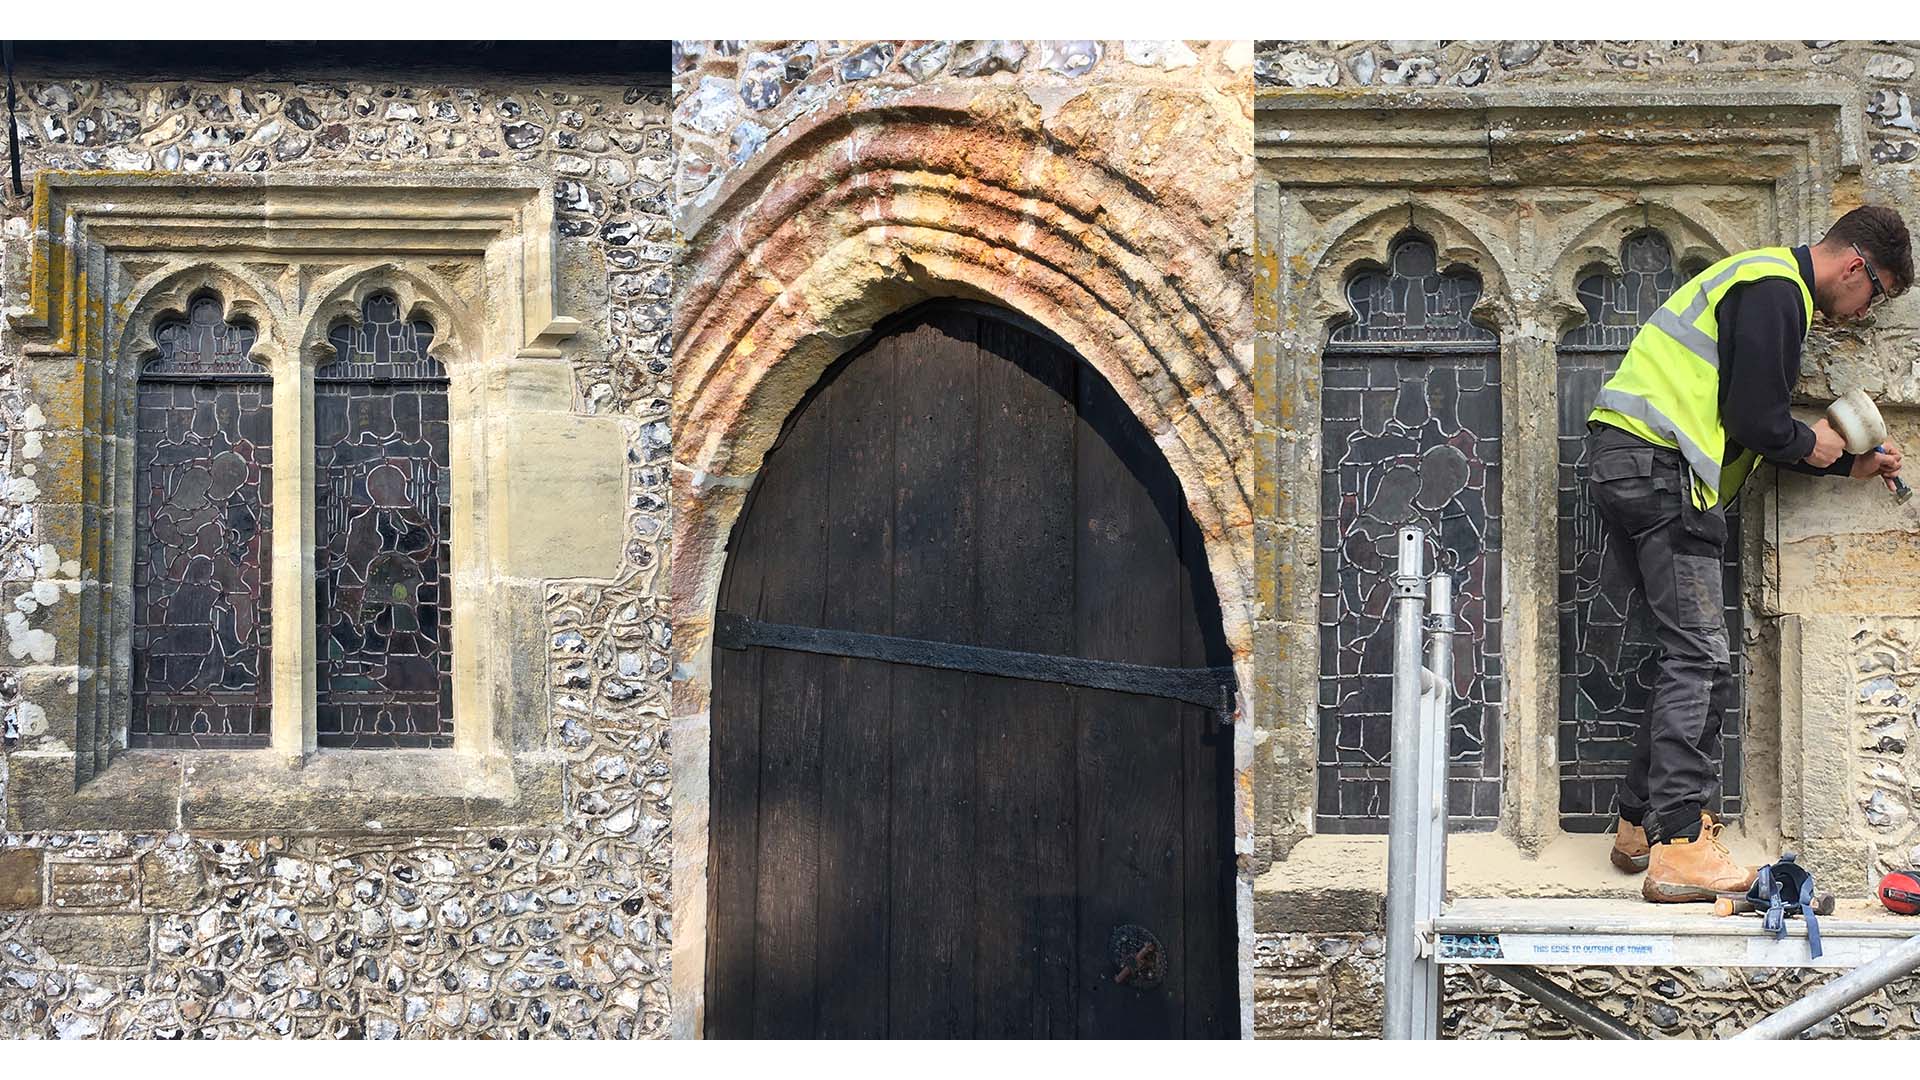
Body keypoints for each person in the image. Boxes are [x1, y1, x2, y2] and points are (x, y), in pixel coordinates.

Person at [1587, 206, 1912, 903]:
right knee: (1701, 656)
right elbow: (1757, 422)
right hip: (1660, 470)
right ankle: (1679, 846)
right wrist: (1817, 442)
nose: (1864, 313)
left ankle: (1639, 826)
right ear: (1854, 267)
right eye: (1877, 294)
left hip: (1636, 466)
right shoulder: (1776, 289)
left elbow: (1748, 421)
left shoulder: (1758, 281)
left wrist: (1832, 464)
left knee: (1688, 650)